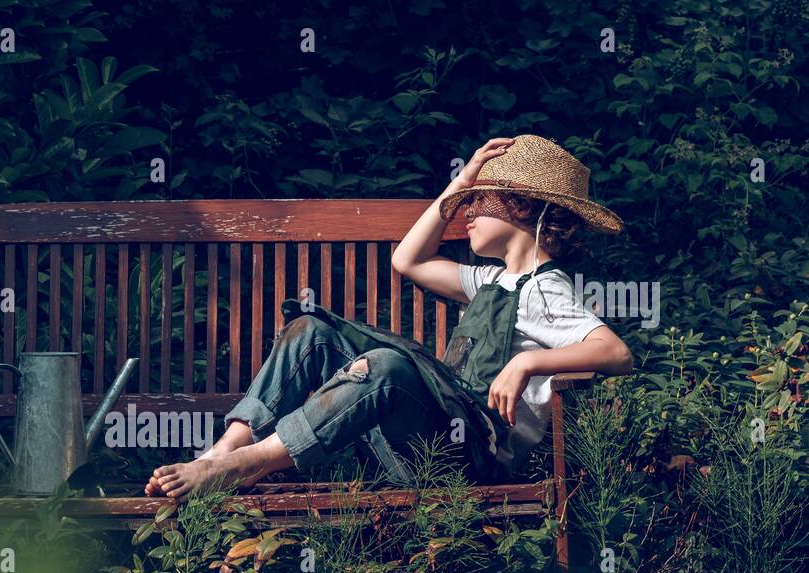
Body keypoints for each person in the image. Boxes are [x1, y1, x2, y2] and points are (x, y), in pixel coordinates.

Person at [144, 135, 634, 500]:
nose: (464, 212)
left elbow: (615, 352)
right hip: (424, 439)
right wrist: (460, 182)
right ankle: (220, 455)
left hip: (465, 460)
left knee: (387, 367)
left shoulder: (546, 288)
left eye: (478, 200)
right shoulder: (491, 280)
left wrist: (525, 364)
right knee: (311, 331)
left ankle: (251, 463)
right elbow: (408, 261)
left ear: (522, 206)